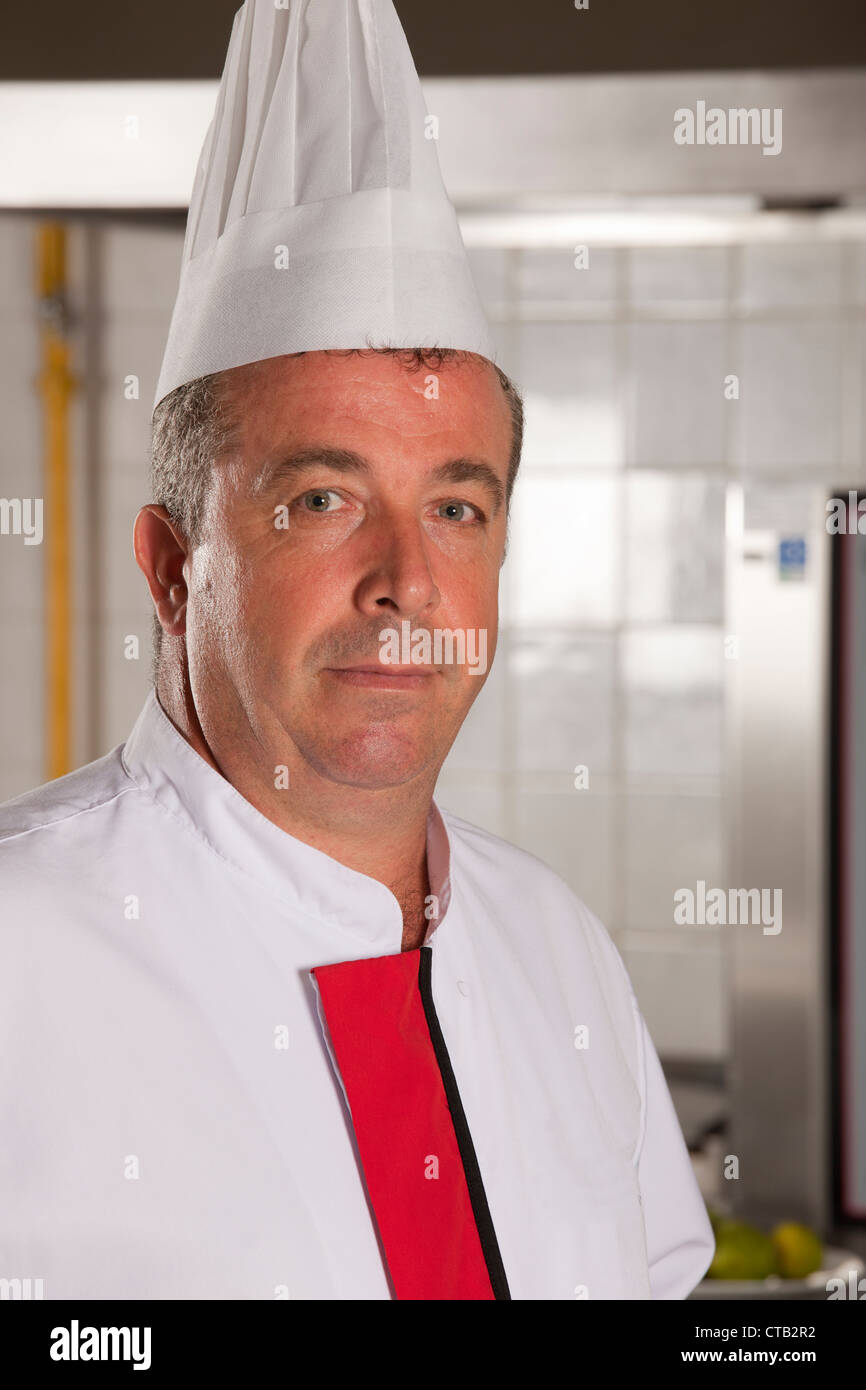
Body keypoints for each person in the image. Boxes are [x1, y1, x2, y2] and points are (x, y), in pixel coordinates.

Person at [0, 0, 714, 1300]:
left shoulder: (557, 953)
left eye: (455, 505)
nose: (404, 583)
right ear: (171, 570)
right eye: (320, 499)